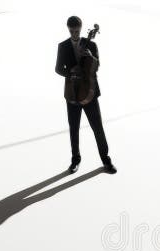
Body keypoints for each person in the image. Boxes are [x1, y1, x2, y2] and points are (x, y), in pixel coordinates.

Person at [55, 16, 117, 174]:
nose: (74, 34)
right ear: (68, 29)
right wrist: (71, 72)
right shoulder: (63, 46)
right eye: (71, 31)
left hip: (90, 92)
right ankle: (75, 160)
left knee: (97, 127)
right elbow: (58, 69)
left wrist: (91, 56)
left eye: (77, 31)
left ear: (81, 28)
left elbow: (97, 66)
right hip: (72, 93)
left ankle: (106, 160)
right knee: (74, 128)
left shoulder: (91, 44)